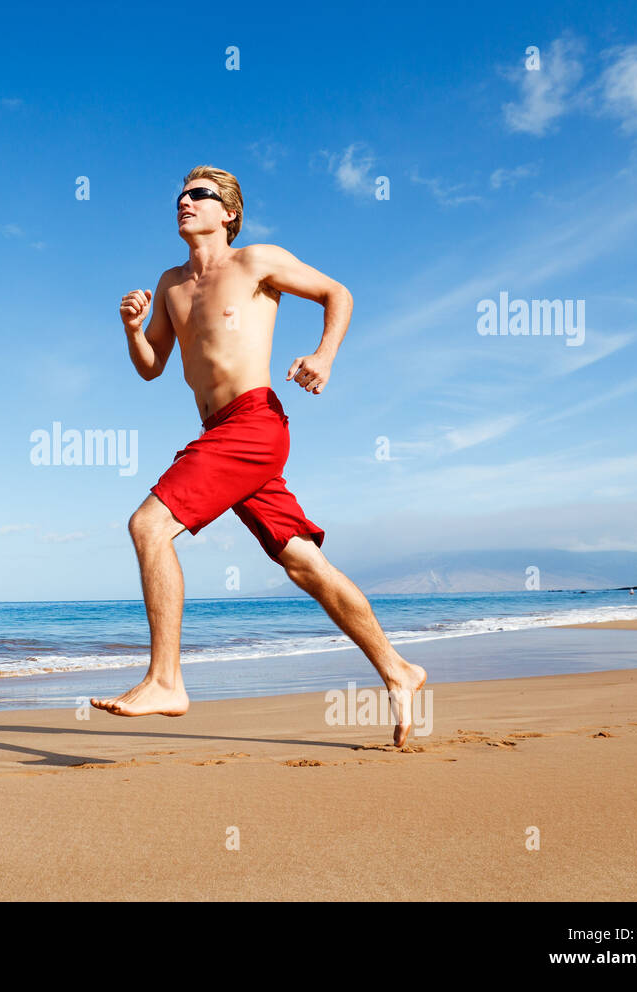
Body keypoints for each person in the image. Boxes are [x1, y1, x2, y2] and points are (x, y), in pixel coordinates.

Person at [90, 165, 427, 746]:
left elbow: (337, 293)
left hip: (253, 423)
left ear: (229, 213)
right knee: (304, 564)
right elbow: (152, 368)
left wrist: (324, 356)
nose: (185, 202)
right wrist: (133, 329)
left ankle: (166, 680)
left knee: (149, 526)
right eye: (180, 196)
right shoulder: (170, 284)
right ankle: (399, 670)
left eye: (200, 195)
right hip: (220, 431)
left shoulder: (256, 262)